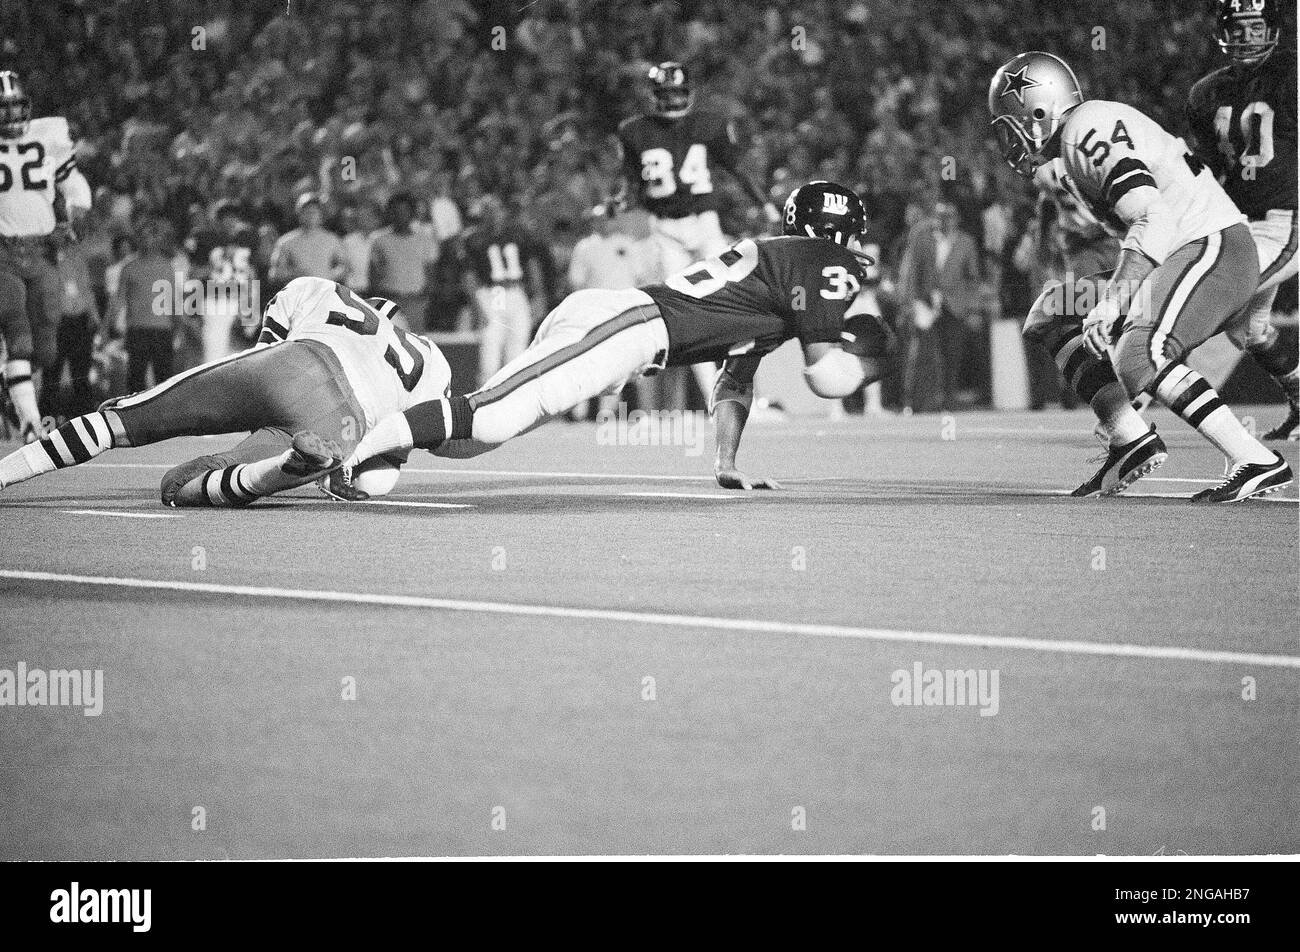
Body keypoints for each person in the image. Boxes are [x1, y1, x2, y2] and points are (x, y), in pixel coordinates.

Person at [343, 181, 895, 491]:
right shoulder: (815, 259)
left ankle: (381, 419)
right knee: (487, 416)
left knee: (474, 440)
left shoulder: (776, 278)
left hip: (624, 328)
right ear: (838, 233)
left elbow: (735, 379)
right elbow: (827, 374)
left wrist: (725, 462)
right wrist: (873, 356)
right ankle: (351, 444)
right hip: (630, 327)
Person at [990, 51, 1291, 502]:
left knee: (1140, 352)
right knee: (1051, 312)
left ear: (1038, 109)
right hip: (1185, 251)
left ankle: (1257, 459)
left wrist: (1113, 302)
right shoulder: (1076, 144)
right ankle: (1129, 437)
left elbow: (1153, 218)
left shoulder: (1083, 133)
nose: (1008, 140)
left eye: (1011, 123)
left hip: (1215, 246)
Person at [0, 278, 451, 508]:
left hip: (296, 364)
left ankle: (5, 475)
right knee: (180, 488)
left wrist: (256, 403)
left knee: (121, 421)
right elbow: (388, 466)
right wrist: (350, 466)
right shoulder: (432, 362)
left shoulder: (322, 290)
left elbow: (266, 349)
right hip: (343, 423)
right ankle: (282, 468)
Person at [1188, 0, 1298, 440]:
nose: (1247, 37)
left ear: (1271, 28)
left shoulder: (1291, 74)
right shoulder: (1206, 92)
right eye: (1238, 28)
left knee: (1213, 299)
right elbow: (1211, 167)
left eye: (1256, 27)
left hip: (1285, 219)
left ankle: (1140, 391)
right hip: (1238, 223)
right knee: (1249, 329)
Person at [0, 69, 92, 441]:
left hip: (42, 253)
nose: (12, 115)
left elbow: (78, 190)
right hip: (3, 252)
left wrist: (68, 218)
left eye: (16, 106)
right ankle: (31, 422)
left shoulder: (49, 136)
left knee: (47, 349)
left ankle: (16, 388)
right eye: (3, 108)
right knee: (17, 332)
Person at [898, 200, 984, 411]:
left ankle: (948, 399)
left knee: (952, 354)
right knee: (922, 353)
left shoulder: (966, 242)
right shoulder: (923, 239)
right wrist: (909, 301)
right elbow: (912, 272)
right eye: (941, 217)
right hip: (925, 302)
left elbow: (972, 277)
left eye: (949, 217)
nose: (945, 221)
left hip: (953, 304)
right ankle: (917, 400)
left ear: (956, 220)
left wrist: (971, 306)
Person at [459, 195, 548, 386]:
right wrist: (477, 306)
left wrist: (538, 294)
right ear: (482, 214)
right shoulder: (473, 238)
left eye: (497, 209)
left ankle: (514, 405)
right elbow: (469, 276)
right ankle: (483, 405)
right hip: (492, 293)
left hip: (516, 291)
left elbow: (532, 265)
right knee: (490, 354)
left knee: (518, 355)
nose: (494, 215)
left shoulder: (519, 235)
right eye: (488, 210)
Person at [112, 220, 180, 392]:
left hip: (162, 330)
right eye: (143, 236)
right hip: (137, 330)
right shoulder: (129, 267)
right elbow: (119, 299)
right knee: (136, 380)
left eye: (151, 236)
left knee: (164, 382)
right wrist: (109, 327)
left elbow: (173, 301)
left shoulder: (167, 267)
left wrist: (178, 329)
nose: (148, 240)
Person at [40, 241, 99, 419]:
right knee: (51, 377)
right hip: (56, 324)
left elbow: (87, 291)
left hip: (79, 323)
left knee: (81, 377)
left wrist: (94, 316)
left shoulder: (78, 261)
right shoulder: (46, 265)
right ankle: (46, 427)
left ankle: (84, 425)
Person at [368, 192, 439, 331]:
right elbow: (373, 274)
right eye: (396, 211)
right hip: (389, 301)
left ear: (412, 213)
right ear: (390, 213)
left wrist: (426, 300)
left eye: (404, 211)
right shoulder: (379, 240)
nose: (400, 215)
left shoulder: (424, 239)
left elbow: (431, 271)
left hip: (416, 302)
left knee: (415, 345)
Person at [268, 192, 347, 291]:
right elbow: (274, 273)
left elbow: (344, 266)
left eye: (314, 212)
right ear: (299, 214)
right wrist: (295, 274)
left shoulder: (332, 239)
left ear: (320, 214)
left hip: (324, 294)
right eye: (306, 212)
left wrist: (329, 275)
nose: (310, 216)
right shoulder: (286, 242)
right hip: (298, 295)